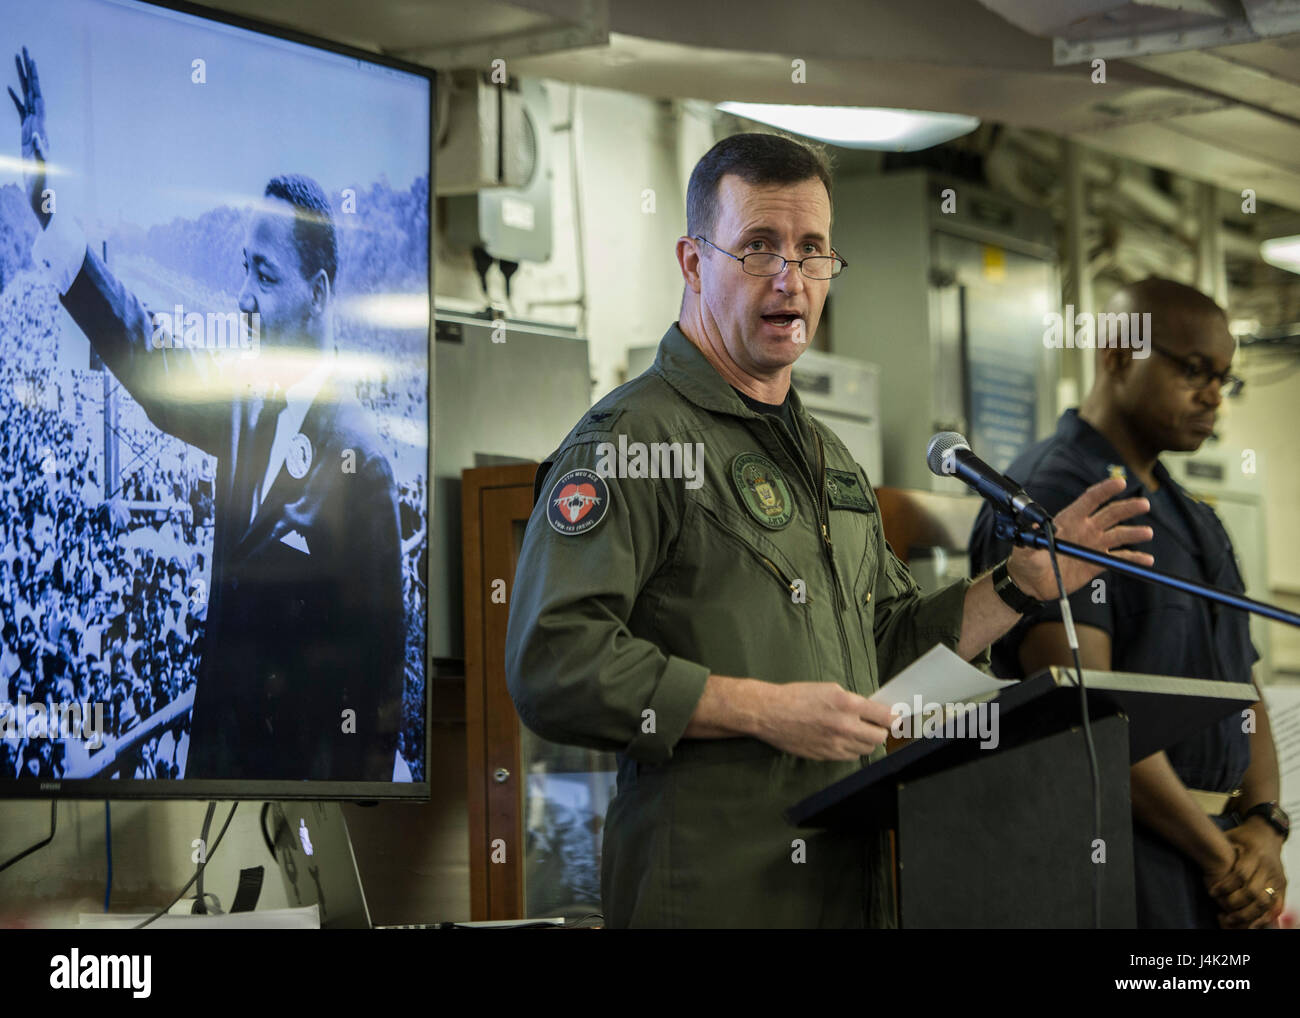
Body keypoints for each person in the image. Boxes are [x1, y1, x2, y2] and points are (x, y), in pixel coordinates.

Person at [504, 131, 1156, 928]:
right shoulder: (632, 442)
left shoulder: (829, 458)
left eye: (813, 251)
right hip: (713, 896)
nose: (791, 277)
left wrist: (1021, 585)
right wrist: (760, 709)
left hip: (849, 886)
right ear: (691, 262)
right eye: (757, 247)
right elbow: (552, 659)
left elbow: (884, 646)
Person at [9, 47, 404, 781]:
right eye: (243, 272)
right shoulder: (246, 404)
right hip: (214, 793)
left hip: (298, 814)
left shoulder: (365, 465)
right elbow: (144, 351)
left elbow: (375, 704)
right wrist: (47, 210)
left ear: (319, 294)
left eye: (265, 275)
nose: (245, 298)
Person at [969, 278, 1288, 929]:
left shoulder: (1194, 516)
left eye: (1224, 379)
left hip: (1222, 865)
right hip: (1122, 859)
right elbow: (1086, 708)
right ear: (1117, 353)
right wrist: (1222, 857)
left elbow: (1242, 684)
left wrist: (1265, 825)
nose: (1212, 397)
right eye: (1194, 370)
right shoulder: (1054, 493)